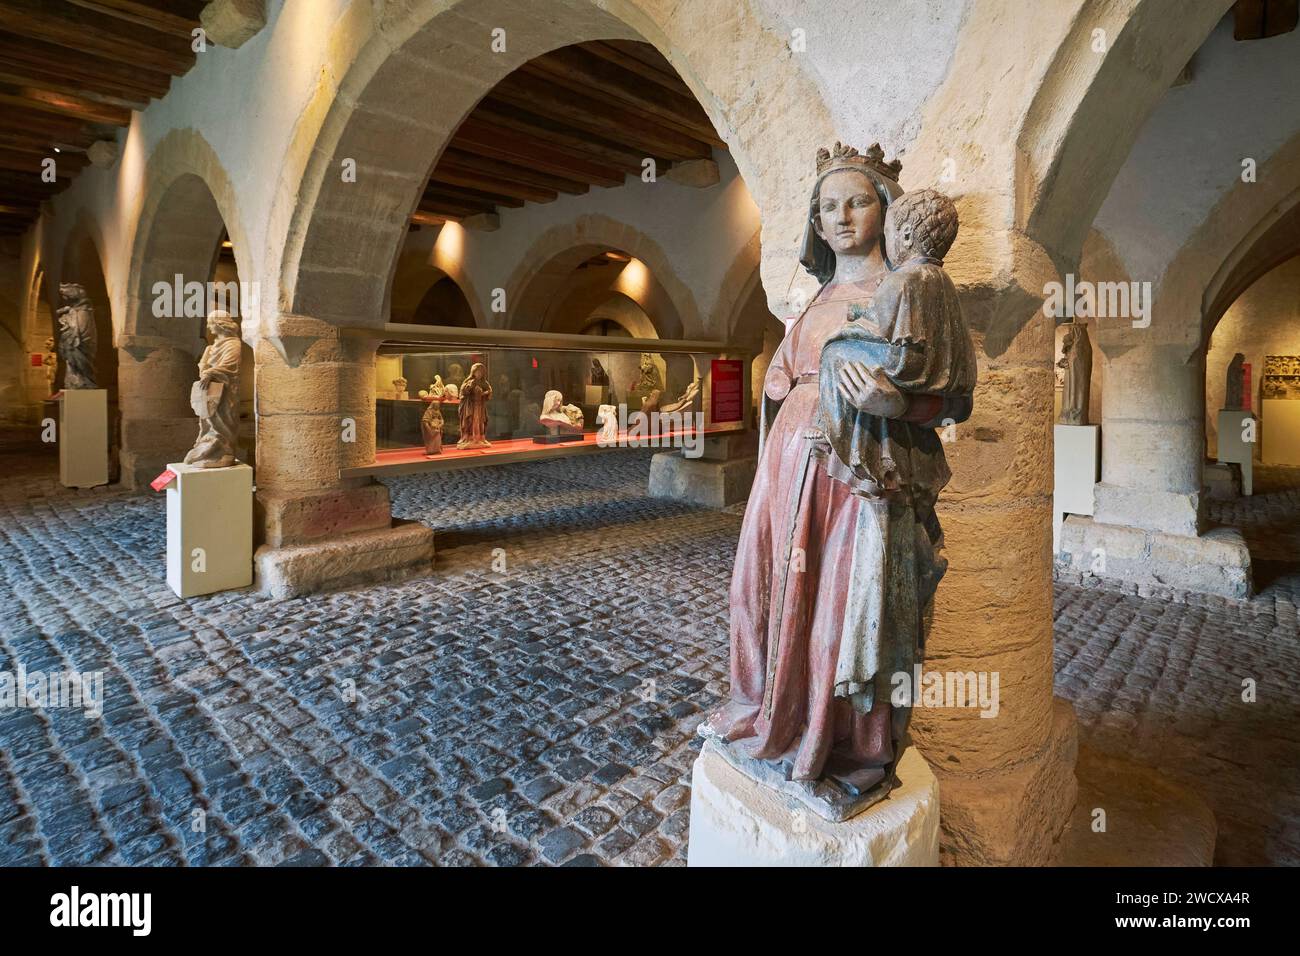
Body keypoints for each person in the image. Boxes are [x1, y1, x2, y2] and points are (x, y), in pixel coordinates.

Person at [705, 144, 976, 809]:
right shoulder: (816, 297)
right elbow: (794, 371)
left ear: (884, 210)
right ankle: (775, 714)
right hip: (787, 470)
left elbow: (955, 395)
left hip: (857, 478)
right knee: (765, 589)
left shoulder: (911, 289)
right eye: (828, 207)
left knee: (847, 604)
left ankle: (845, 744)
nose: (842, 216)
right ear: (816, 225)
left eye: (857, 201)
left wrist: (897, 403)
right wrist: (782, 378)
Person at [183, 310, 242, 468]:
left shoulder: (233, 343)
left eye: (211, 323)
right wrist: (205, 365)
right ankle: (208, 447)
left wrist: (210, 372)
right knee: (208, 420)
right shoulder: (213, 346)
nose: (209, 326)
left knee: (223, 422)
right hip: (210, 391)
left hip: (226, 392)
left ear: (220, 324)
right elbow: (203, 366)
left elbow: (230, 366)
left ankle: (223, 452)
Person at [456, 362, 492, 449]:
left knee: (481, 421)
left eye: (481, 372)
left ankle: (480, 438)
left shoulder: (484, 383)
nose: (479, 374)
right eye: (477, 372)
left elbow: (489, 391)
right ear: (473, 372)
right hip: (471, 406)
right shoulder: (469, 382)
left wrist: (485, 393)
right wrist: (470, 388)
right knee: (470, 421)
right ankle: (470, 438)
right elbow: (463, 393)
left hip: (480, 406)